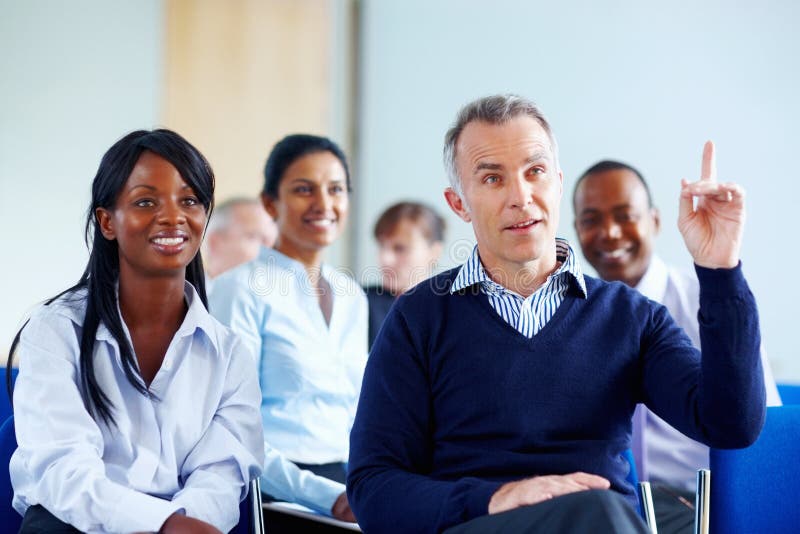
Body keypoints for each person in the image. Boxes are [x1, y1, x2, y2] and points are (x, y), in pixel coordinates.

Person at [347, 94, 766, 534]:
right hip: (486, 525)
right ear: (459, 204)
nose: (521, 197)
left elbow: (732, 424)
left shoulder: (631, 318)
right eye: (492, 179)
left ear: (558, 182)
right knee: (598, 511)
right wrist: (496, 498)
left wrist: (721, 271)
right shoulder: (419, 318)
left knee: (600, 512)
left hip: (604, 525)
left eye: (535, 172)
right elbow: (374, 490)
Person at [7, 129, 264, 533]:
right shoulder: (56, 330)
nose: (173, 217)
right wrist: (161, 525)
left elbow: (220, 477)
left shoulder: (230, 355)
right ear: (107, 221)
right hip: (72, 524)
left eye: (190, 201)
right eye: (146, 201)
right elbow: (64, 473)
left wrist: (181, 524)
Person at [572, 160, 781, 533]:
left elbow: (762, 426)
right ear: (576, 230)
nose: (610, 232)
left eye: (625, 215)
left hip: (696, 506)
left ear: (654, 220)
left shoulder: (713, 302)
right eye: (591, 220)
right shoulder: (572, 315)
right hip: (605, 506)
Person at [210, 134, 367, 525]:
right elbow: (233, 425)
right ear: (270, 203)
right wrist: (326, 496)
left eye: (335, 189)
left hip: (349, 482)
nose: (324, 204)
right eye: (303, 190)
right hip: (272, 490)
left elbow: (356, 411)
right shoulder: (240, 288)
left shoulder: (351, 295)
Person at [363, 201, 445, 347]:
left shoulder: (454, 313)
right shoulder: (358, 302)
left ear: (434, 252)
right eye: (382, 246)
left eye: (399, 248)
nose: (385, 259)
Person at [204, 197, 278, 280]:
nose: (271, 250)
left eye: (273, 241)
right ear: (215, 243)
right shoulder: (190, 291)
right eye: (255, 237)